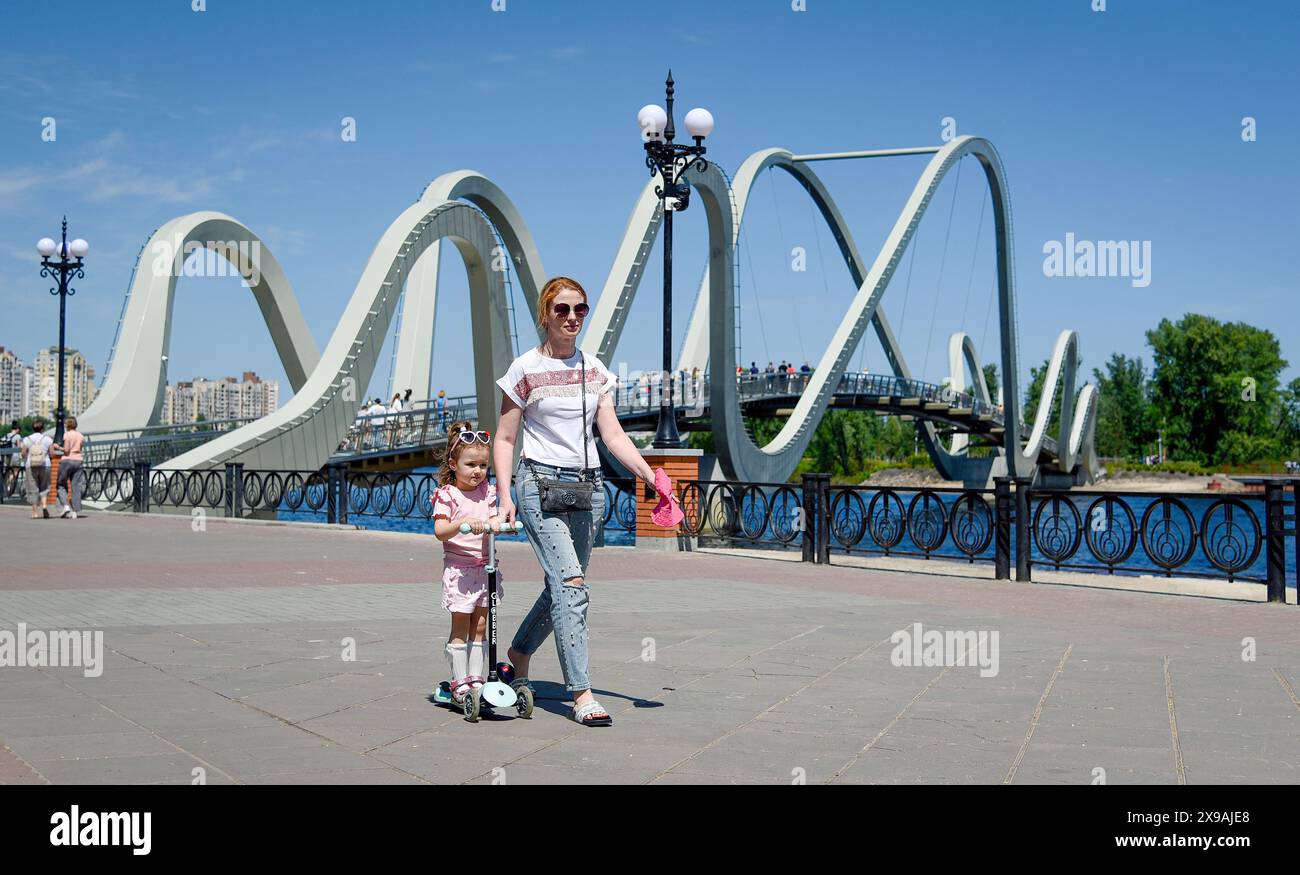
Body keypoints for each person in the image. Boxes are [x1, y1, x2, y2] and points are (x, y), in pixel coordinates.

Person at [493, 276, 662, 727]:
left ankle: (518, 652)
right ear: (545, 314)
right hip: (539, 487)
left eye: (580, 309)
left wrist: (649, 475)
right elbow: (506, 438)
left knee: (564, 587)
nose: (572, 318)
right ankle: (581, 693)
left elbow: (612, 434)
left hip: (589, 490)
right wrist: (505, 495)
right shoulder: (524, 369)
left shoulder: (595, 369)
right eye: (562, 310)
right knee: (572, 586)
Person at [430, 420, 501, 705]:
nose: (478, 471)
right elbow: (439, 531)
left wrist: (498, 522)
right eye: (471, 464)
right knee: (461, 625)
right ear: (453, 463)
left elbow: (495, 517)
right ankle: (460, 682)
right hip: (460, 571)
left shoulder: (488, 492)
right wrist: (461, 524)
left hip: (485, 567)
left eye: (483, 466)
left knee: (481, 626)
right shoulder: (448, 495)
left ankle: (477, 679)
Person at [20, 418, 54, 519]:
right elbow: (52, 453)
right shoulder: (47, 439)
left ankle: (35, 512)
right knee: (44, 486)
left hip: (31, 465)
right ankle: (44, 506)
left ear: (33, 428)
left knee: (33, 488)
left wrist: (27, 457)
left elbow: (23, 453)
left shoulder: (27, 439)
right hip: (45, 464)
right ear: (42, 428)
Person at [53, 416, 85, 519]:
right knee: (76, 486)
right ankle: (75, 511)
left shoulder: (67, 434)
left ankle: (66, 506)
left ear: (68, 424)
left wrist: (58, 447)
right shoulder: (80, 435)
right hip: (78, 461)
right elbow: (79, 448)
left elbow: (66, 450)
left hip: (67, 461)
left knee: (61, 484)